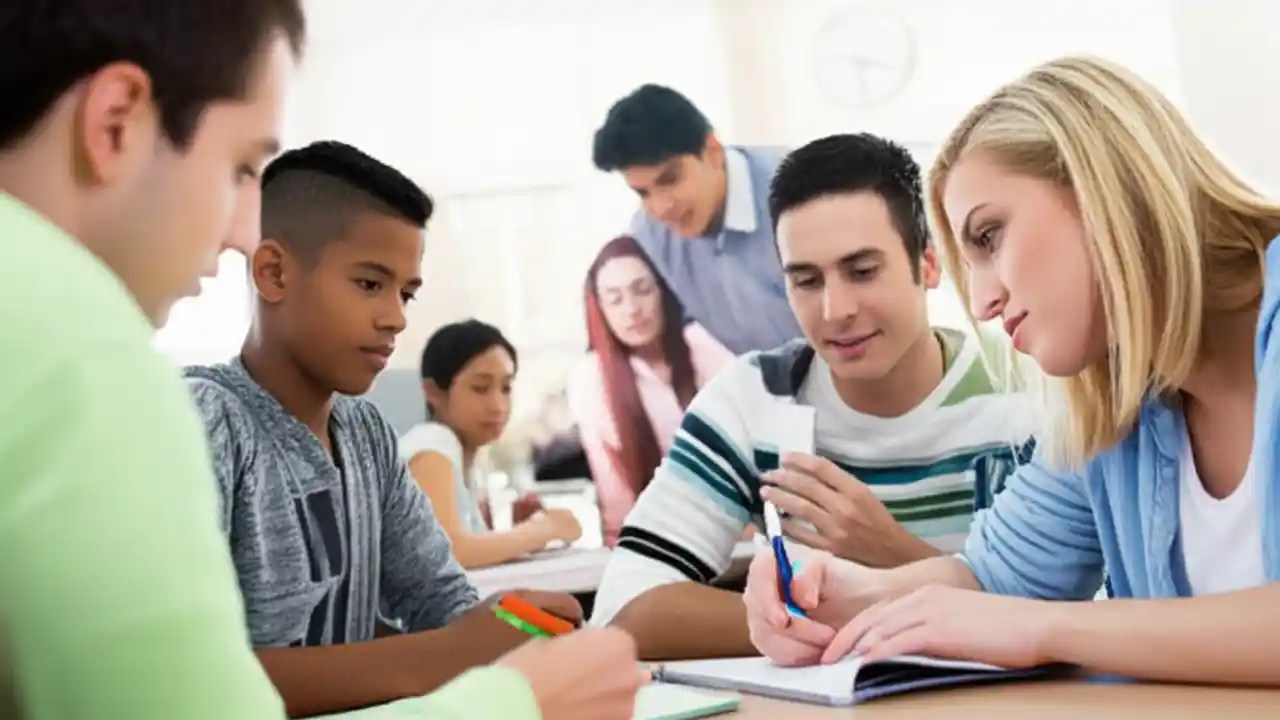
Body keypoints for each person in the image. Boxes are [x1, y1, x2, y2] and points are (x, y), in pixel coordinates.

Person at [742, 56, 1280, 687]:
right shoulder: (1112, 406)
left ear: (1103, 184)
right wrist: (846, 594)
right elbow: (994, 578)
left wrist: (1042, 629)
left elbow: (1013, 615)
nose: (982, 302)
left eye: (990, 237)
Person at [183, 140, 608, 717]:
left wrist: (510, 622)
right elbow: (195, 674)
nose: (396, 317)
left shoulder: (367, 435)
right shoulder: (205, 419)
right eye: (369, 284)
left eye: (406, 293)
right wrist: (445, 654)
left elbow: (439, 600)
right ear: (274, 272)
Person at [590, 133, 1034, 660]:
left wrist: (889, 556)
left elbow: (1071, 610)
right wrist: (803, 621)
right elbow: (624, 609)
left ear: (928, 263)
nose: (835, 310)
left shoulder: (1023, 389)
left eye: (862, 272)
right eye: (805, 281)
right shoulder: (754, 400)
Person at [0, 1, 304, 717]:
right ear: (117, 121)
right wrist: (517, 700)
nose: (245, 235)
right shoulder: (73, 339)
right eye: (240, 167)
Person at [592, 84, 801, 354]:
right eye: (642, 192)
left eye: (670, 179)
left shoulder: (802, 190)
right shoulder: (651, 233)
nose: (661, 207)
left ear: (712, 151)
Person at [567, 235, 735, 545]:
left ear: (663, 289)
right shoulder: (591, 378)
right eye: (615, 299)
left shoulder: (706, 347)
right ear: (599, 309)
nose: (632, 309)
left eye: (642, 290)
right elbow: (616, 502)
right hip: (656, 544)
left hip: (736, 532)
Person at [401, 320, 583, 569]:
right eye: (480, 388)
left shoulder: (462, 459)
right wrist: (541, 529)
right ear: (433, 392)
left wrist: (520, 535)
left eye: (506, 387)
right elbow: (448, 552)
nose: (498, 405)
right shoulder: (433, 442)